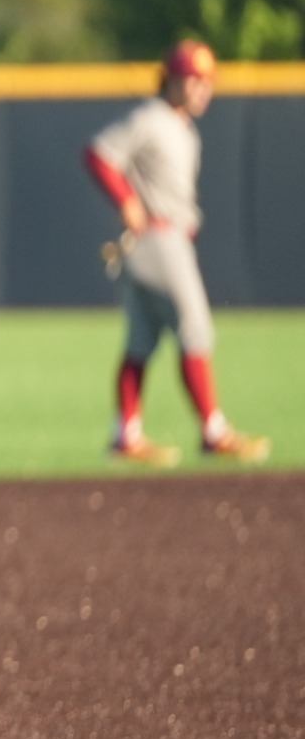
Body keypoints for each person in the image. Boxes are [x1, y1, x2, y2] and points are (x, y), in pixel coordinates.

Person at [83, 39, 270, 467]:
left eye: (207, 81)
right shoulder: (150, 118)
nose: (203, 88)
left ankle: (125, 434)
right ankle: (213, 430)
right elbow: (98, 154)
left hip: (167, 237)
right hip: (156, 239)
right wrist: (126, 201)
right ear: (172, 78)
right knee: (195, 326)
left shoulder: (182, 127)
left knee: (141, 340)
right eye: (195, 79)